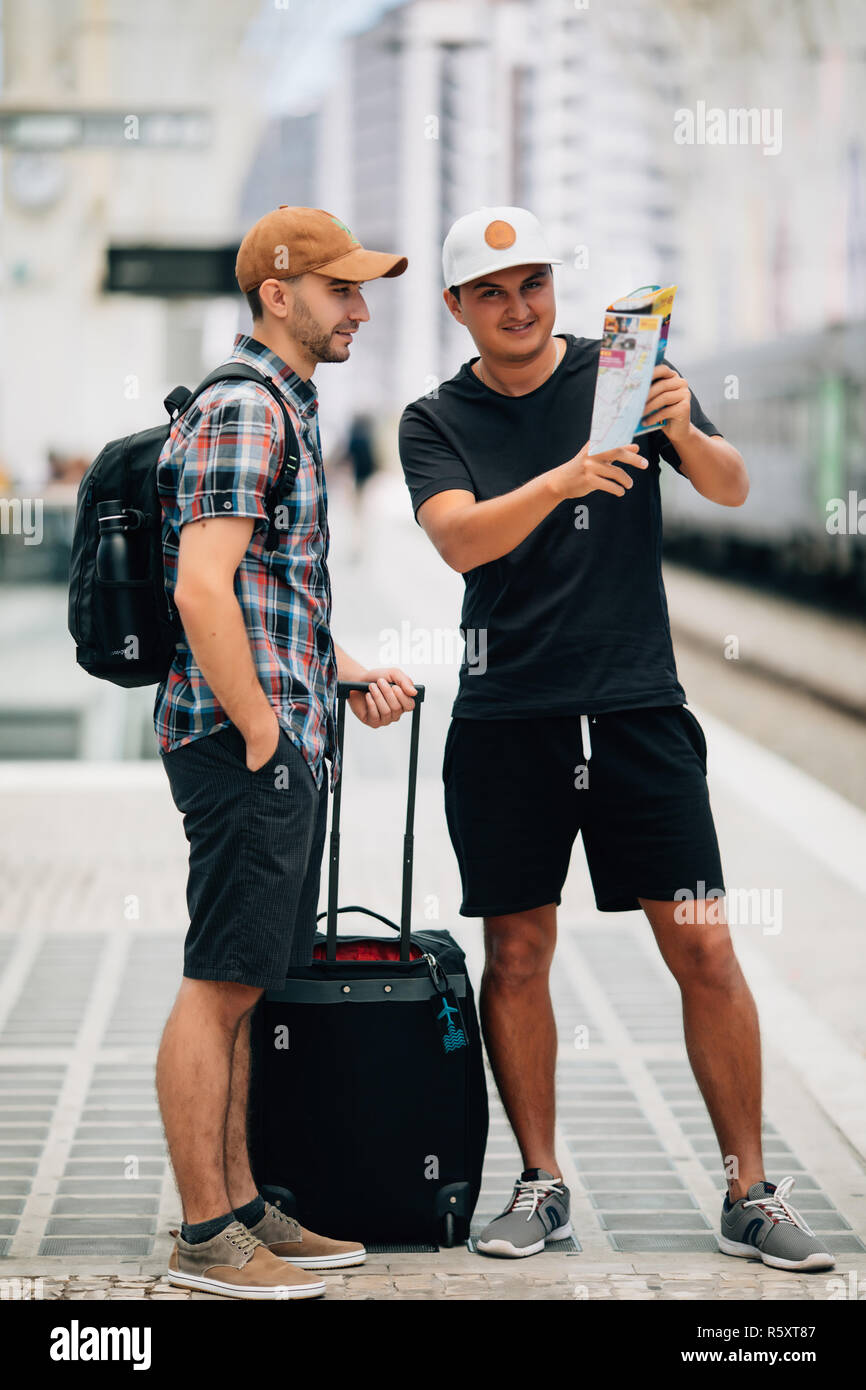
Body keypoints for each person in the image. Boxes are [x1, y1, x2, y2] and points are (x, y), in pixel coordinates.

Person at [398, 205, 834, 1272]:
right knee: (517, 950)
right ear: (456, 308)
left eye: (533, 283)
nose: (518, 306)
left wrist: (680, 428)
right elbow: (459, 539)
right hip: (508, 720)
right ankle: (539, 1182)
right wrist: (557, 482)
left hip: (638, 710)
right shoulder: (431, 418)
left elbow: (729, 487)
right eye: (491, 291)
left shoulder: (624, 373)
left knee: (702, 944)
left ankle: (748, 1189)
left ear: (554, 285)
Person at [155, 206, 418, 1299]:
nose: (359, 308)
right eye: (340, 289)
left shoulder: (278, 407)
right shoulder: (244, 409)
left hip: (272, 736)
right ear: (277, 291)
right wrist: (265, 730)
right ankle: (205, 1237)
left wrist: (339, 671)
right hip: (240, 747)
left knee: (245, 986)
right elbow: (200, 587)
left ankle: (246, 1204)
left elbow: (269, 593)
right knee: (216, 989)